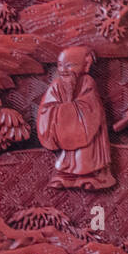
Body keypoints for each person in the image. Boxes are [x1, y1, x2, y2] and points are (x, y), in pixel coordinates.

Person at [36, 46, 115, 189]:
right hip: (63, 131)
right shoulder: (56, 85)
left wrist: (69, 111)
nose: (63, 70)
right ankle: (66, 175)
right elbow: (46, 108)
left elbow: (90, 108)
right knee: (68, 155)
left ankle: (89, 176)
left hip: (86, 128)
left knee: (85, 154)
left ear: (85, 66)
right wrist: (59, 114)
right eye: (60, 65)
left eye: (70, 65)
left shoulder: (87, 82)